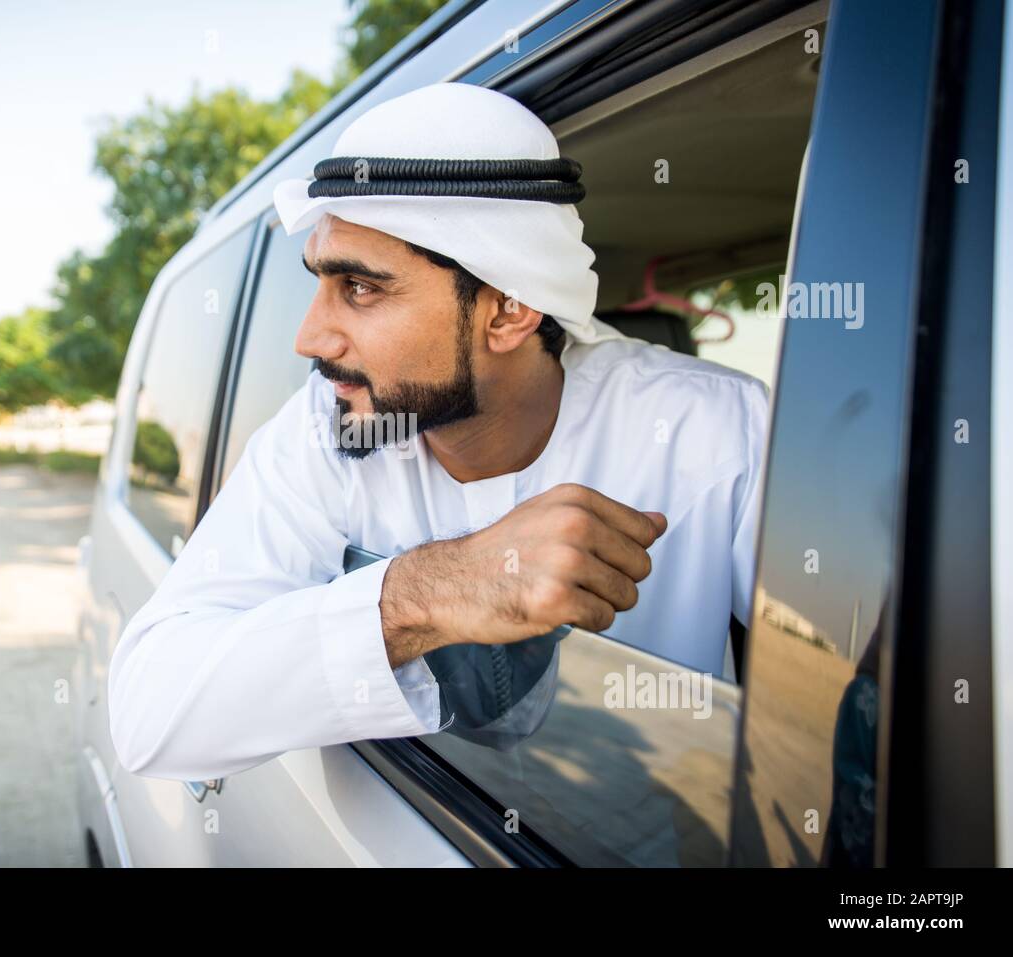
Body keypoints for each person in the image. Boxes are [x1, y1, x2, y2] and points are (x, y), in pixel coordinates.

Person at [108, 82, 769, 782]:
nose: (309, 337)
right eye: (319, 283)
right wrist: (421, 594)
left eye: (360, 288)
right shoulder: (322, 423)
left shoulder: (722, 429)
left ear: (509, 311)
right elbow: (147, 715)